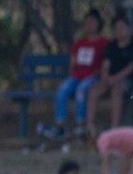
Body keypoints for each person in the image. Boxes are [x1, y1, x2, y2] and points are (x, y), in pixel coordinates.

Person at [40, 9, 107, 141]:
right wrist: (73, 75)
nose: (89, 25)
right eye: (87, 22)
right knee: (62, 90)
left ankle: (80, 125)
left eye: (92, 22)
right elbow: (73, 63)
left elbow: (105, 64)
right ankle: (60, 126)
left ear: (99, 24)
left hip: (92, 77)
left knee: (81, 90)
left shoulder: (104, 43)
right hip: (76, 76)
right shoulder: (79, 43)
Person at [86, 15, 132, 133]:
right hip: (110, 80)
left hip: (127, 81)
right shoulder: (111, 47)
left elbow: (130, 68)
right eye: (116, 28)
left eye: (122, 27)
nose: (119, 30)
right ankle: (89, 129)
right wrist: (105, 78)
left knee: (117, 91)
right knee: (93, 90)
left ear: (128, 28)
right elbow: (105, 66)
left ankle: (114, 130)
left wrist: (115, 79)